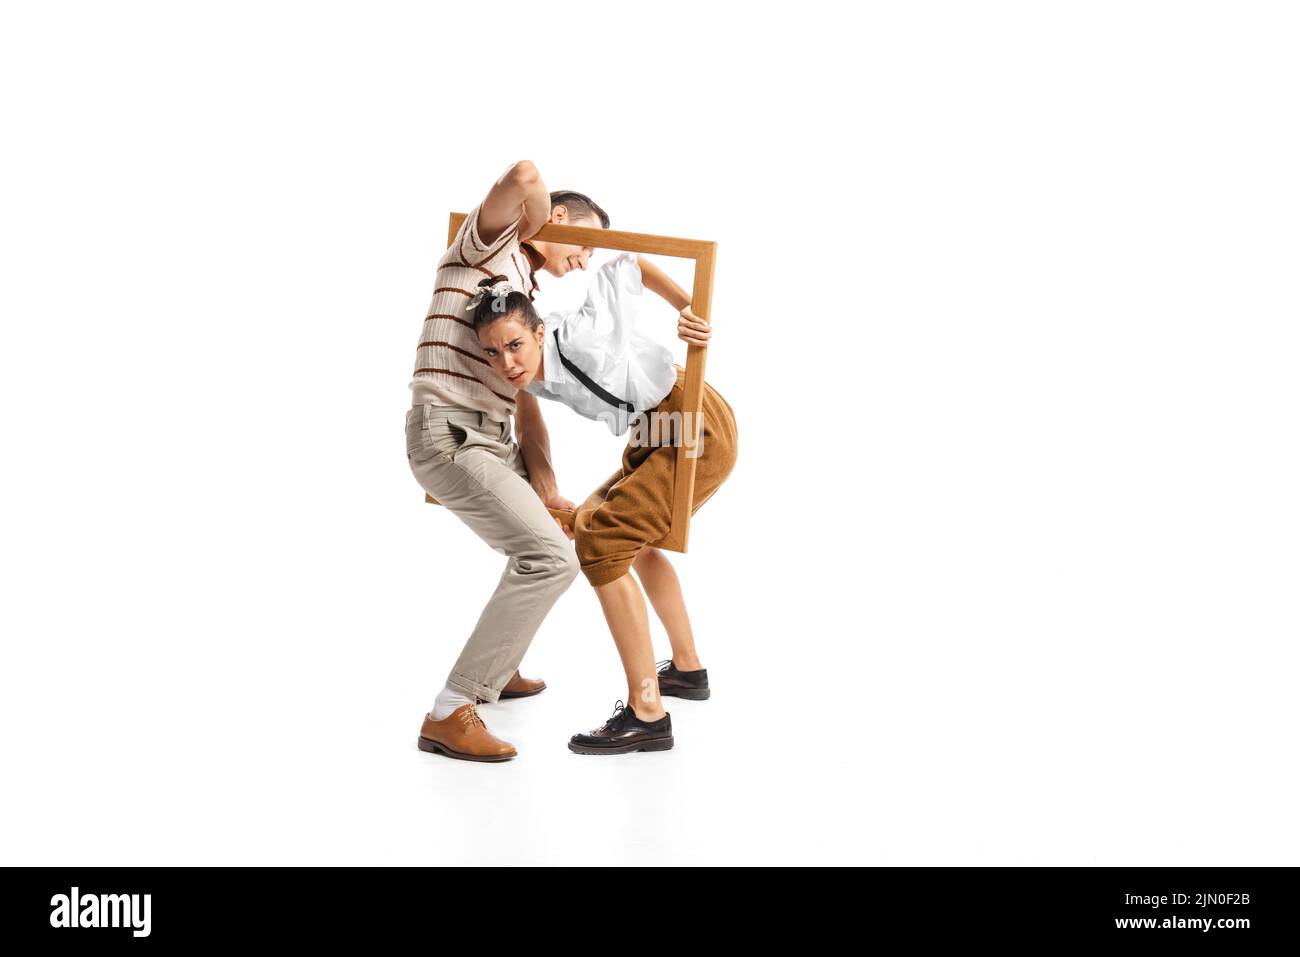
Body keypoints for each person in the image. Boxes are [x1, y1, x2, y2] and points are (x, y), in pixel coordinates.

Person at [469, 250, 737, 755]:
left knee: (603, 539)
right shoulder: (521, 374)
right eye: (491, 352)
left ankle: (647, 713)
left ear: (540, 331)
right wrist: (546, 490)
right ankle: (687, 668)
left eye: (515, 346)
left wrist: (688, 310)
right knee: (602, 524)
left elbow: (629, 265)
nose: (505, 362)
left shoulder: (578, 335)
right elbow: (528, 420)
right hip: (655, 432)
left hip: (691, 422)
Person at [405, 160, 611, 762]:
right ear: (559, 218)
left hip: (490, 439)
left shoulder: (522, 296)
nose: (586, 258)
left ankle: (500, 665)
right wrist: (535, 222)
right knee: (549, 559)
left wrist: (544, 481)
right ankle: (451, 710)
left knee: (554, 535)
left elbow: (522, 403)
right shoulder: (486, 247)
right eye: (585, 242)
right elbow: (523, 174)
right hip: (452, 437)